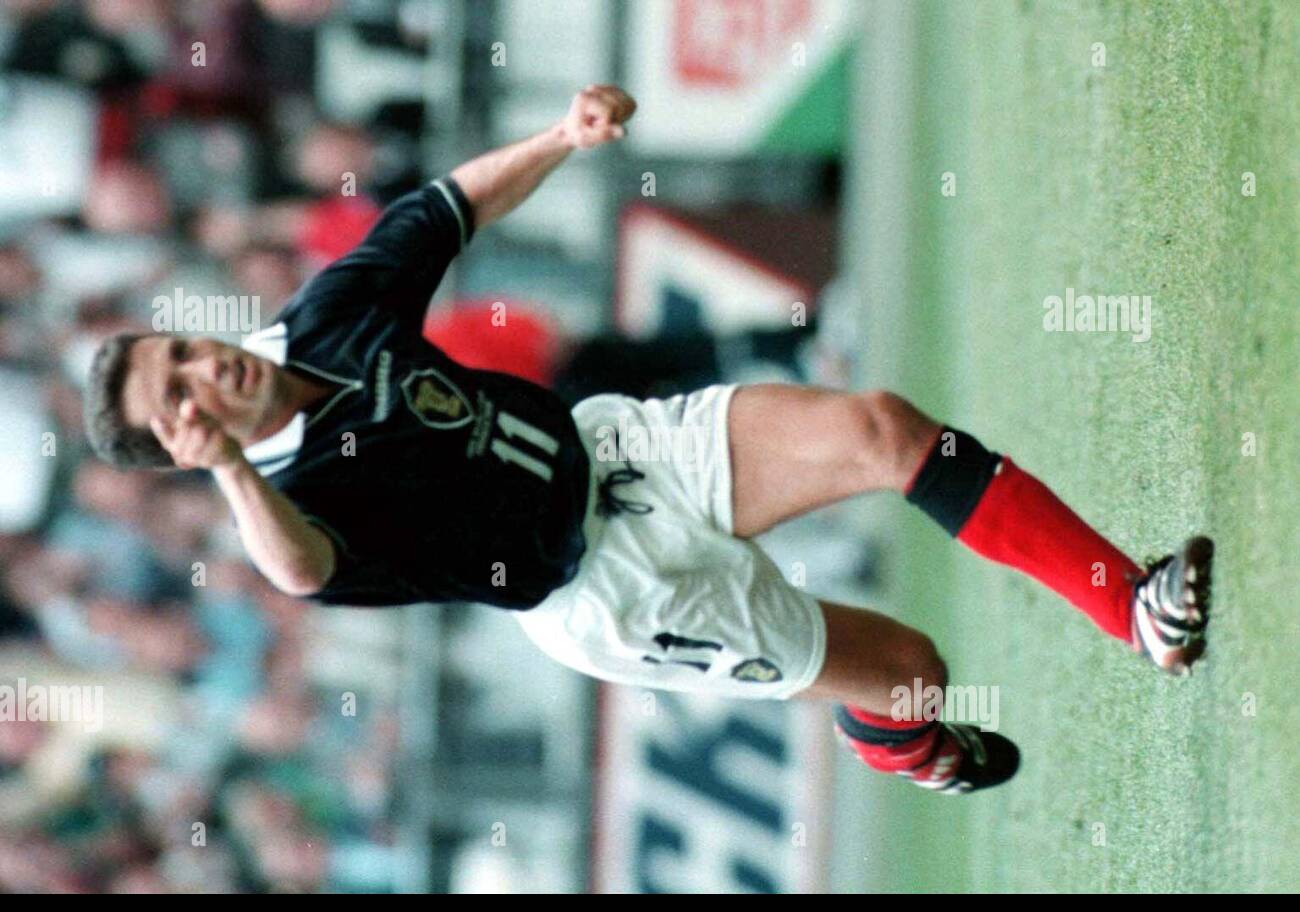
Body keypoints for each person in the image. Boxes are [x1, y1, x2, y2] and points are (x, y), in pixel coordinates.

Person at [82, 85, 1213, 795]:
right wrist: (233, 463)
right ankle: (906, 747)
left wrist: (561, 138)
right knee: (915, 671)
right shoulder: (279, 508)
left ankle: (1133, 604)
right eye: (178, 401)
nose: (199, 372)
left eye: (176, 351)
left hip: (620, 449)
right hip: (608, 593)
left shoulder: (320, 320)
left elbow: (441, 210)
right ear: (187, 449)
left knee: (880, 427)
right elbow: (301, 573)